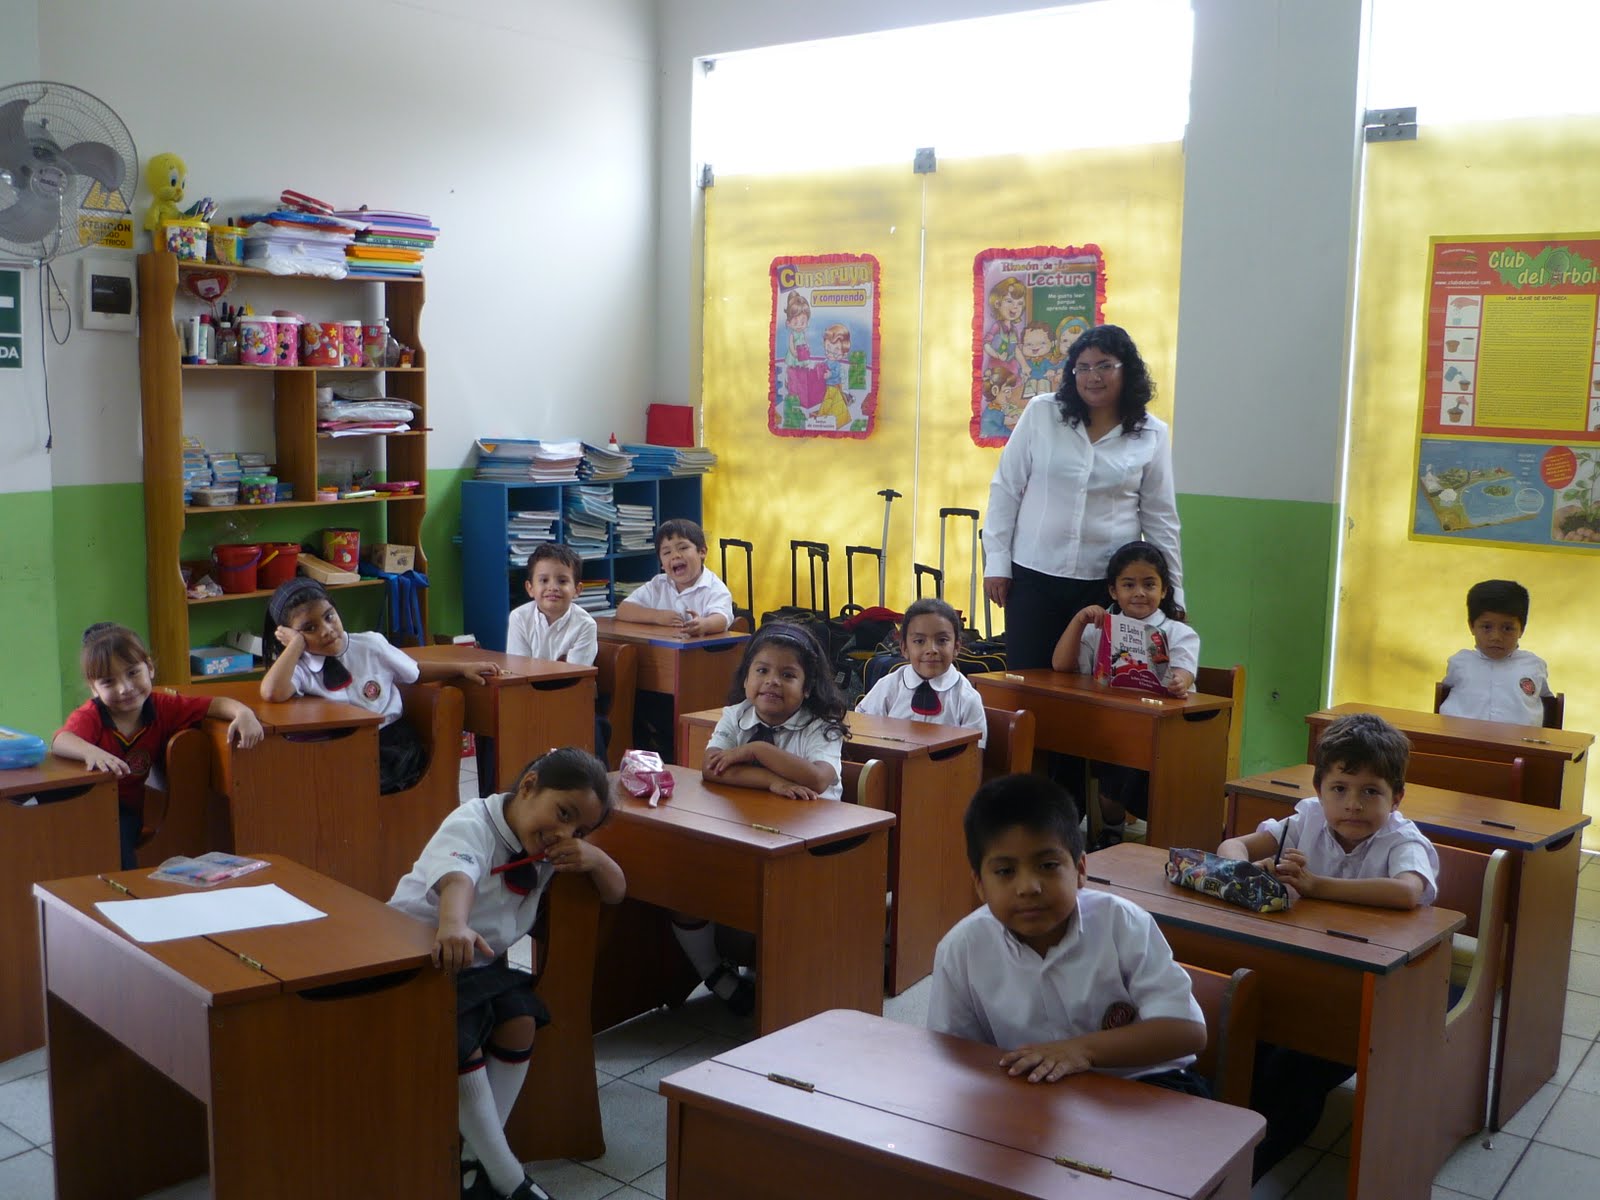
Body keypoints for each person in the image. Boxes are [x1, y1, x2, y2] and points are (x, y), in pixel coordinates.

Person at [389, 747, 623, 1200]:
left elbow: (616, 893)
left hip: (477, 965)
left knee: (520, 1018)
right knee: (463, 1032)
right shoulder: (472, 820)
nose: (563, 833)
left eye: (579, 829)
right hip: (416, 957)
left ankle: (475, 1164)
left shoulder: (549, 849)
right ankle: (507, 1177)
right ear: (530, 784)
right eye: (562, 813)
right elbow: (458, 874)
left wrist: (596, 859)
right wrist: (453, 923)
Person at [1216, 712, 1439, 1179]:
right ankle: (1221, 1157)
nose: (1353, 805)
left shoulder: (1402, 839)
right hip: (1299, 977)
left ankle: (1249, 1169)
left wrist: (1316, 887)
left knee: (1293, 1075)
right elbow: (1233, 845)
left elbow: (1407, 891)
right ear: (1319, 789)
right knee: (1248, 1049)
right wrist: (1246, 870)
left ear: (1396, 798)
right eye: (1339, 789)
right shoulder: (1308, 819)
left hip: (1363, 997)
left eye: (1371, 792)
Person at [928, 774, 1209, 1091]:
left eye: (1047, 866)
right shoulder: (961, 948)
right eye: (1005, 871)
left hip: (1147, 1085)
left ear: (1080, 870)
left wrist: (1081, 1050)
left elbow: (1187, 1031)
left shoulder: (1123, 923)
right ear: (979, 884)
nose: (1028, 887)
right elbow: (952, 1055)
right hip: (1033, 1096)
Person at [982, 324, 1184, 672]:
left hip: (1105, 584)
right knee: (1028, 679)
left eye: (1105, 366)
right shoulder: (1042, 413)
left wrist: (1173, 592)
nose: (1093, 377)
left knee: (1094, 683)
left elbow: (1160, 518)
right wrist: (996, 562)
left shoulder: (1151, 434)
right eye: (1084, 368)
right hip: (1033, 575)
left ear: (1127, 371)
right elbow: (1006, 488)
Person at [676, 623, 849, 1014]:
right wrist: (771, 780)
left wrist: (754, 750)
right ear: (747, 677)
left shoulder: (821, 725)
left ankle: (783, 984)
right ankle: (714, 975)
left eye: (788, 675)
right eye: (762, 671)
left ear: (806, 687)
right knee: (682, 887)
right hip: (749, 834)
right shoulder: (736, 714)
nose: (772, 682)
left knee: (772, 904)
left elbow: (819, 778)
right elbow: (710, 768)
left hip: (813, 847)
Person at [53, 622, 264, 868]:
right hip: (88, 806)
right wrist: (91, 751)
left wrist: (244, 713)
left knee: (121, 850)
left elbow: (213, 704)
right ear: (93, 688)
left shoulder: (163, 707)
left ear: (149, 668)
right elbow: (61, 740)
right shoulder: (92, 715)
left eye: (133, 673)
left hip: (126, 811)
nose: (125, 688)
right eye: (109, 682)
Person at [259, 579, 501, 794]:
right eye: (309, 628)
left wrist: (460, 668)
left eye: (329, 616)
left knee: (349, 788)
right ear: (289, 635)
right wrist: (296, 646)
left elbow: (414, 672)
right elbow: (271, 691)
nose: (326, 630)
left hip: (391, 746)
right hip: (340, 750)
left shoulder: (369, 645)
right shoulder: (301, 667)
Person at [1051, 542, 1196, 841]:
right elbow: (1061, 666)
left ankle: (1114, 826)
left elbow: (1185, 670)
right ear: (1114, 591)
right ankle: (1078, 828)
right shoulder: (1100, 627)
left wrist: (1180, 680)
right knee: (1069, 749)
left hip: (1156, 730)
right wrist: (1079, 622)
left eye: (1149, 584)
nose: (1139, 593)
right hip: (1102, 726)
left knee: (1123, 762)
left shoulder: (1178, 632)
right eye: (1128, 585)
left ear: (1164, 590)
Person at [856, 597, 987, 748]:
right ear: (904, 648)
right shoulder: (888, 687)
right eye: (919, 641)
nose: (931, 650)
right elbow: (861, 732)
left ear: (957, 647)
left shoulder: (967, 698)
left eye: (942, 640)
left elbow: (973, 757)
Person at [1438, 579, 1552, 726]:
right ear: (1472, 626)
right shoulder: (1459, 662)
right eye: (1486, 627)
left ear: (1522, 629)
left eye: (1507, 628)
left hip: (1519, 746)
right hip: (1459, 744)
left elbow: (1546, 701)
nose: (1496, 637)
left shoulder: (1534, 665)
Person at [615, 518, 734, 638]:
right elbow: (623, 610)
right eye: (667, 553)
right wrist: (656, 616)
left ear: (702, 551)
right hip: (663, 652)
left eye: (683, 548)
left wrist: (705, 624)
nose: (675, 556)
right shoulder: (658, 584)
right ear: (661, 564)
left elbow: (722, 618)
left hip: (699, 653)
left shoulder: (714, 587)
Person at [505, 543, 597, 666]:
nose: (553, 587)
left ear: (577, 589)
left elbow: (575, 675)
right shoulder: (519, 617)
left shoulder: (585, 625)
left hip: (572, 685)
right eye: (544, 580)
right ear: (530, 588)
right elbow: (518, 668)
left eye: (562, 581)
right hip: (527, 684)